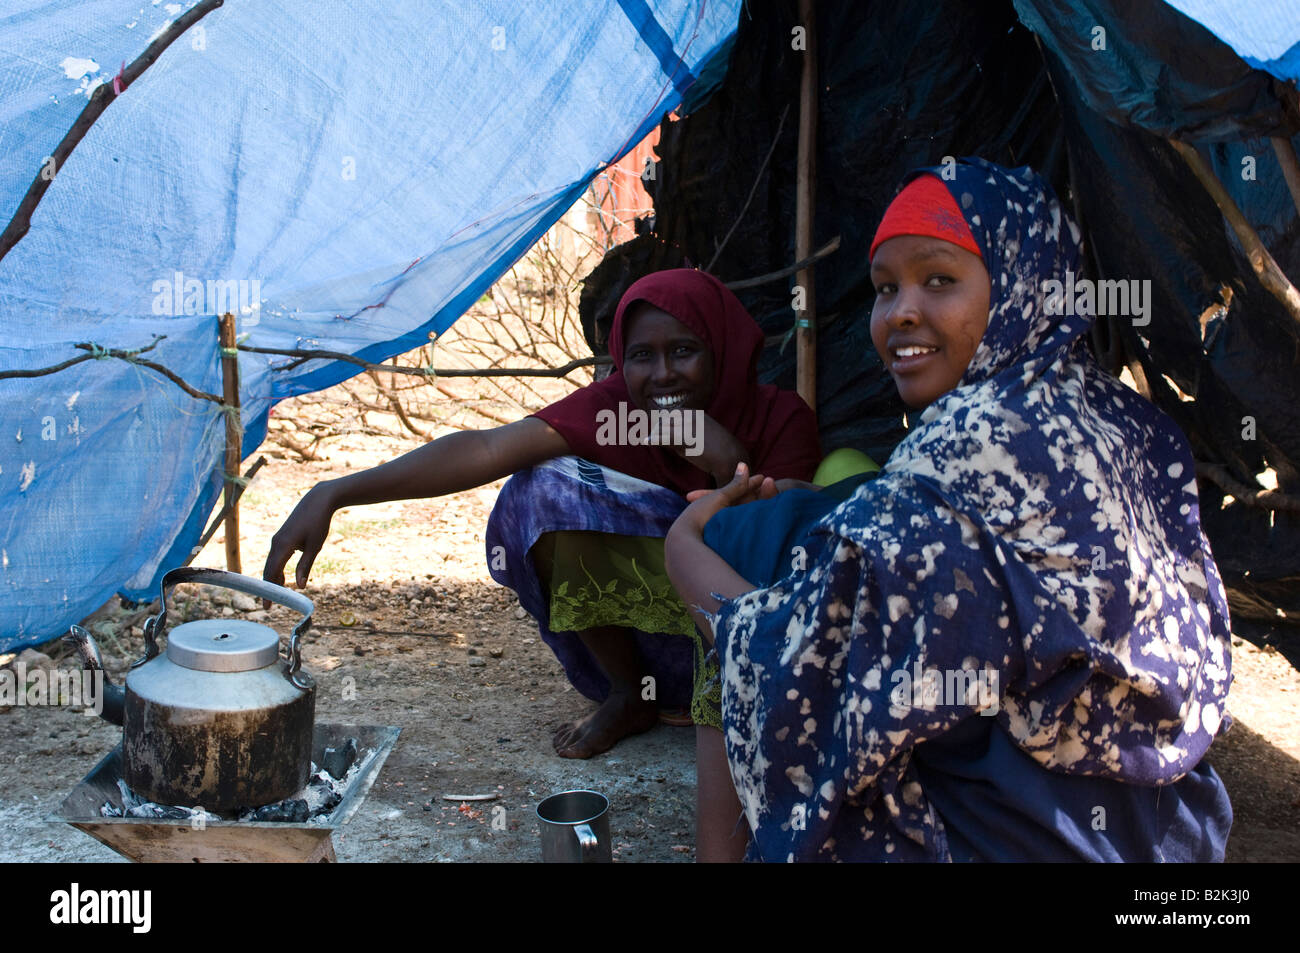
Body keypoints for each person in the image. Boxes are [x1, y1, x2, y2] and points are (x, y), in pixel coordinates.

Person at [666, 158, 1233, 862]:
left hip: (1026, 835)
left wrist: (686, 543)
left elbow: (794, 667)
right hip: (1165, 822)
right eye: (883, 288)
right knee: (811, 517)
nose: (900, 310)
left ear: (1022, 283)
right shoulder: (1120, 417)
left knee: (743, 548)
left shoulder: (970, 443)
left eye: (939, 279)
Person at [264, 268, 820, 760]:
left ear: (721, 349)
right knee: (541, 488)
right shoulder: (615, 410)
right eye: (642, 356)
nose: (662, 375)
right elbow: (487, 449)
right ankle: (629, 695)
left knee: (769, 524)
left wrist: (725, 462)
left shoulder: (780, 418)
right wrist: (334, 491)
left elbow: (790, 536)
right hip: (655, 647)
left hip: (748, 657)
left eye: (684, 351)